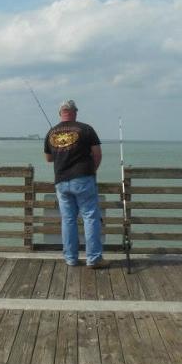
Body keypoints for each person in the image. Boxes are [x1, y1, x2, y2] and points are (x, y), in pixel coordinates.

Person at [44, 100, 108, 268]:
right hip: (83, 178)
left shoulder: (52, 132)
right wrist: (92, 171)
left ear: (60, 113)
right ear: (75, 112)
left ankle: (71, 259)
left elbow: (49, 158)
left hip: (61, 181)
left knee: (68, 220)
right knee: (90, 218)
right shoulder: (86, 129)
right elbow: (97, 154)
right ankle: (93, 259)